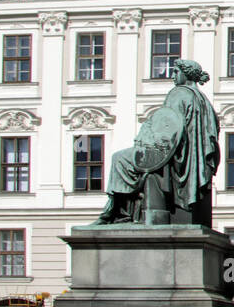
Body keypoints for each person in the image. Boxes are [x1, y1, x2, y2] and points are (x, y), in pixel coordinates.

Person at [93, 58, 220, 226]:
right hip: (187, 158)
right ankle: (120, 212)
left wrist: (145, 140)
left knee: (120, 158)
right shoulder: (203, 100)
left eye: (176, 72)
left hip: (174, 156)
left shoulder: (179, 93)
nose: (173, 76)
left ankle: (117, 213)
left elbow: (168, 132)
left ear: (186, 74)